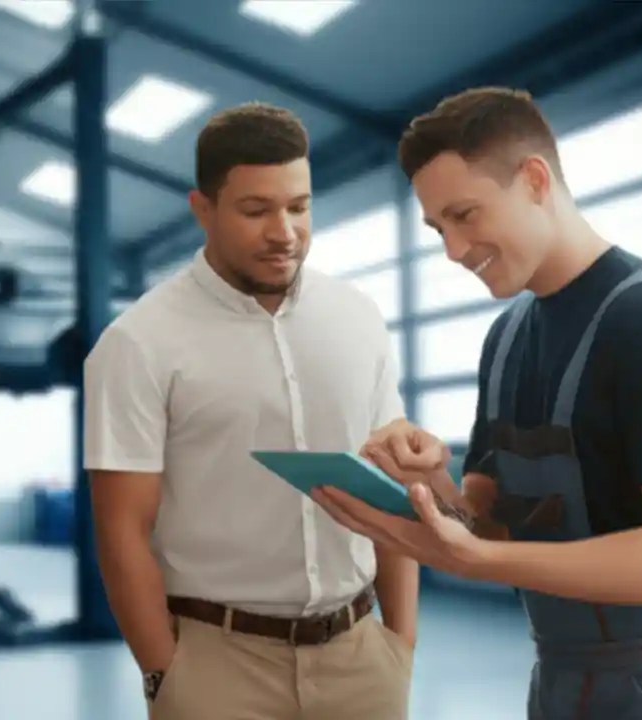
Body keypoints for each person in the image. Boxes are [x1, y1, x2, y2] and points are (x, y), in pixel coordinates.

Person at [313, 87, 642, 719]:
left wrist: (482, 561)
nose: (452, 249)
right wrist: (430, 487)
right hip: (560, 684)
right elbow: (490, 523)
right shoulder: (505, 340)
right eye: (439, 227)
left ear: (533, 179)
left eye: (465, 214)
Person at [83, 102, 417, 720]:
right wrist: (165, 673)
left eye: (299, 206)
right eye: (256, 210)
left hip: (361, 659)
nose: (284, 232)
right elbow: (120, 529)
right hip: (215, 668)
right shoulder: (138, 343)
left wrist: (401, 644)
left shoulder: (359, 319)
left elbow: (388, 487)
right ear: (202, 209)